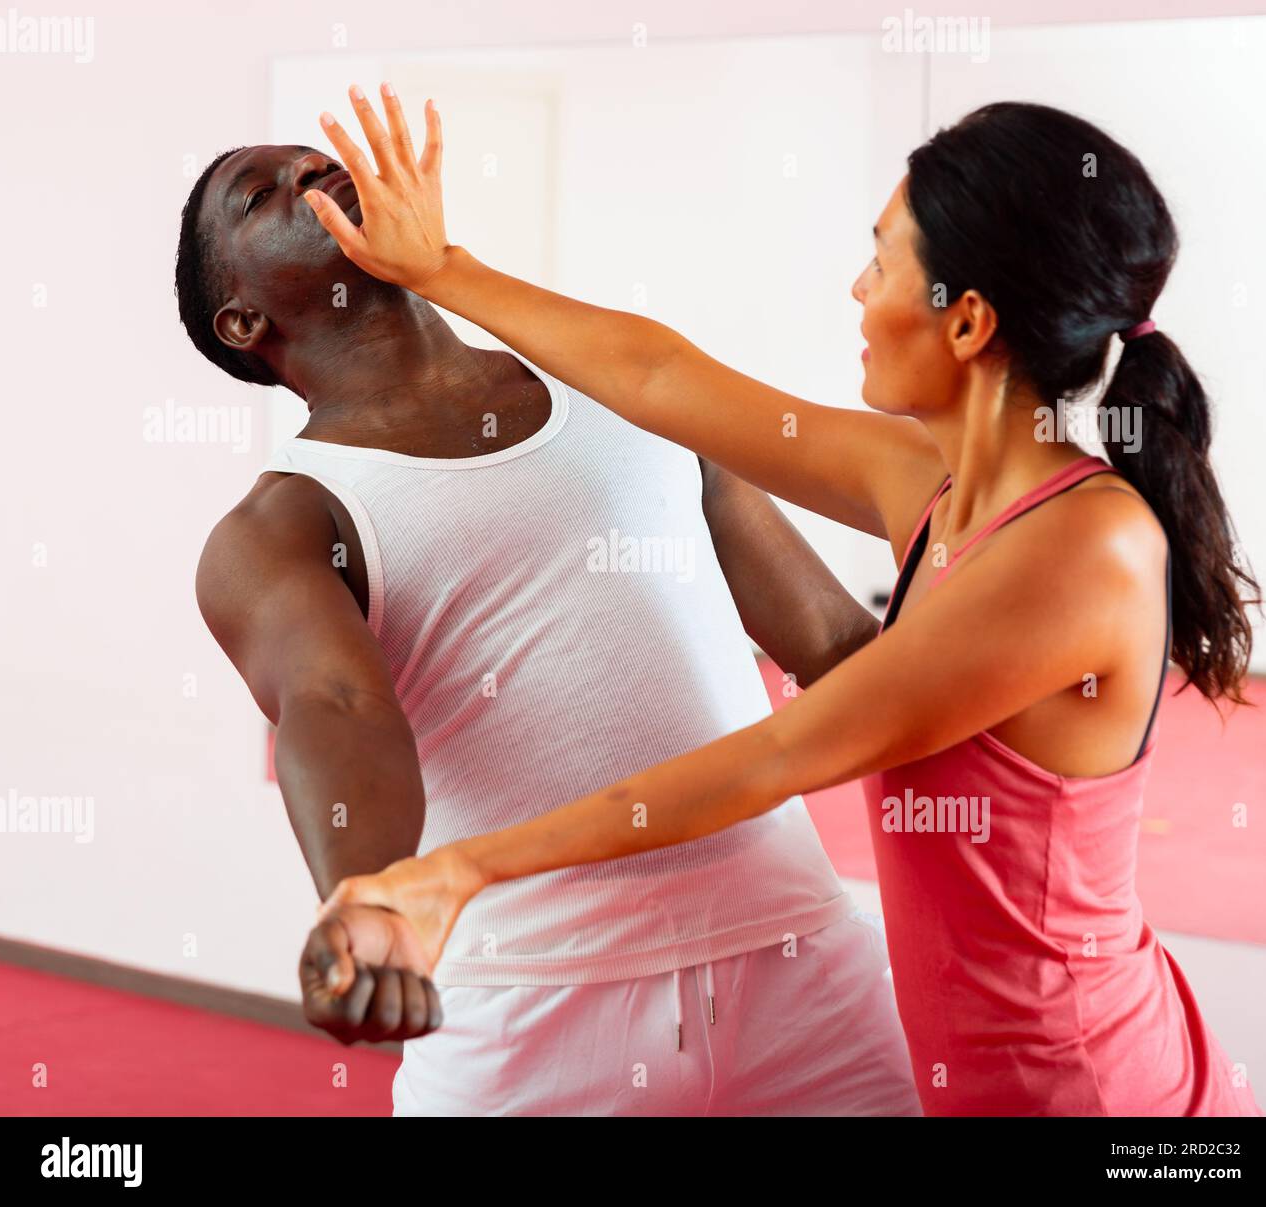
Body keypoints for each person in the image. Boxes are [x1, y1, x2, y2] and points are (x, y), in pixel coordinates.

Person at [313, 86, 1264, 1117]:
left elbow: (777, 756)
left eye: (882, 261)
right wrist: (440, 270)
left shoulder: (1085, 550)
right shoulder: (931, 484)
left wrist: (461, 870)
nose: (858, 291)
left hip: (1091, 1091)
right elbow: (660, 375)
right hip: (997, 1079)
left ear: (968, 321)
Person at [176, 138, 922, 1116]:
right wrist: (371, 899)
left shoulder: (619, 387)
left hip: (802, 963)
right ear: (244, 318)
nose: (308, 176)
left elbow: (833, 644)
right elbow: (336, 702)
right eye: (257, 193)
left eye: (316, 160)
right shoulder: (281, 524)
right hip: (531, 1008)